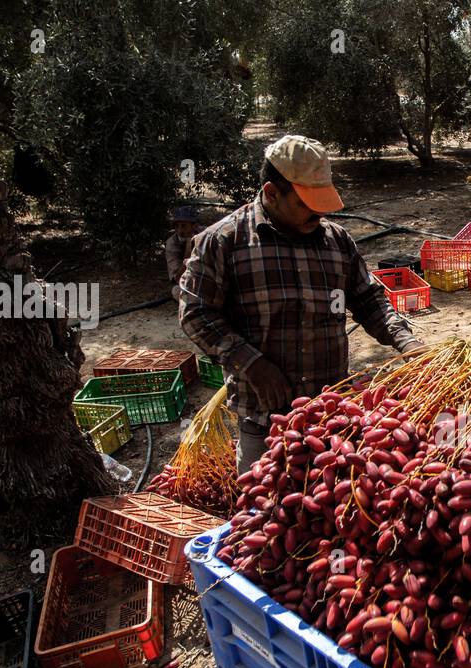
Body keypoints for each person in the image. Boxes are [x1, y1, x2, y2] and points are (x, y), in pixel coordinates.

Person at [180, 135, 426, 474]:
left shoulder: (337, 241)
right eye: (306, 203)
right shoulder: (223, 241)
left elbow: (369, 300)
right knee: (262, 511)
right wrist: (251, 363)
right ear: (271, 192)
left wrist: (406, 341)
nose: (319, 212)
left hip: (331, 415)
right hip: (264, 421)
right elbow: (196, 313)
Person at [165, 206, 198, 301]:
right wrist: (188, 254)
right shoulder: (172, 243)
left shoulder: (205, 234)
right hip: (188, 283)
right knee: (177, 291)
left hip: (207, 279)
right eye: (177, 226)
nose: (180, 231)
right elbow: (177, 278)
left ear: (194, 226)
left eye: (183, 226)